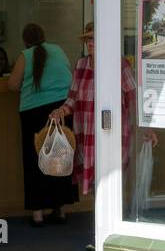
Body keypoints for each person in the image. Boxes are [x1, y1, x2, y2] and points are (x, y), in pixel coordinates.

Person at [50, 20, 157, 207]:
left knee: (113, 180)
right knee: (93, 184)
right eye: (88, 39)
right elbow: (73, 98)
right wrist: (61, 111)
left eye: (94, 39)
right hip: (86, 134)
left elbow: (133, 100)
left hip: (113, 134)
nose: (90, 43)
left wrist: (144, 127)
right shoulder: (81, 65)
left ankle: (115, 224)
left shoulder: (120, 65)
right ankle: (101, 225)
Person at [8, 22, 74, 226]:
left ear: (25, 40)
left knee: (34, 161)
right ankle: (60, 209)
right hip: (61, 110)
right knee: (60, 159)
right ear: (44, 35)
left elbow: (12, 84)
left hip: (33, 112)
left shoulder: (24, 56)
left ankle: (37, 214)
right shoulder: (58, 50)